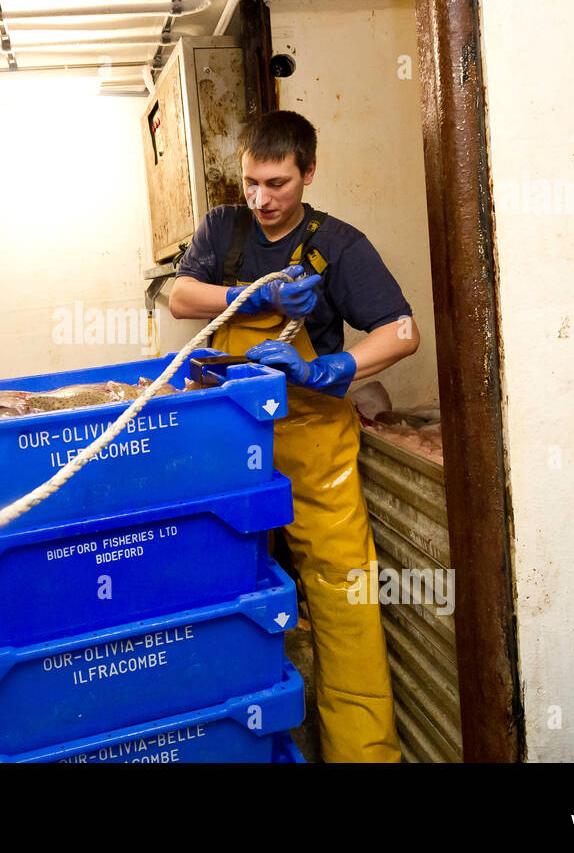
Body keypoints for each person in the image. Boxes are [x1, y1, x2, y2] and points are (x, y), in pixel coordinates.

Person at [169, 111, 419, 763]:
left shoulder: (339, 244)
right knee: (219, 585)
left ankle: (362, 752)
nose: (261, 199)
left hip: (314, 441)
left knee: (345, 594)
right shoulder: (224, 230)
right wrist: (253, 297)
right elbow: (179, 296)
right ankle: (220, 740)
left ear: (309, 172)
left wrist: (334, 368)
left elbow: (401, 330)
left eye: (277, 183)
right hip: (228, 441)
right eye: (251, 181)